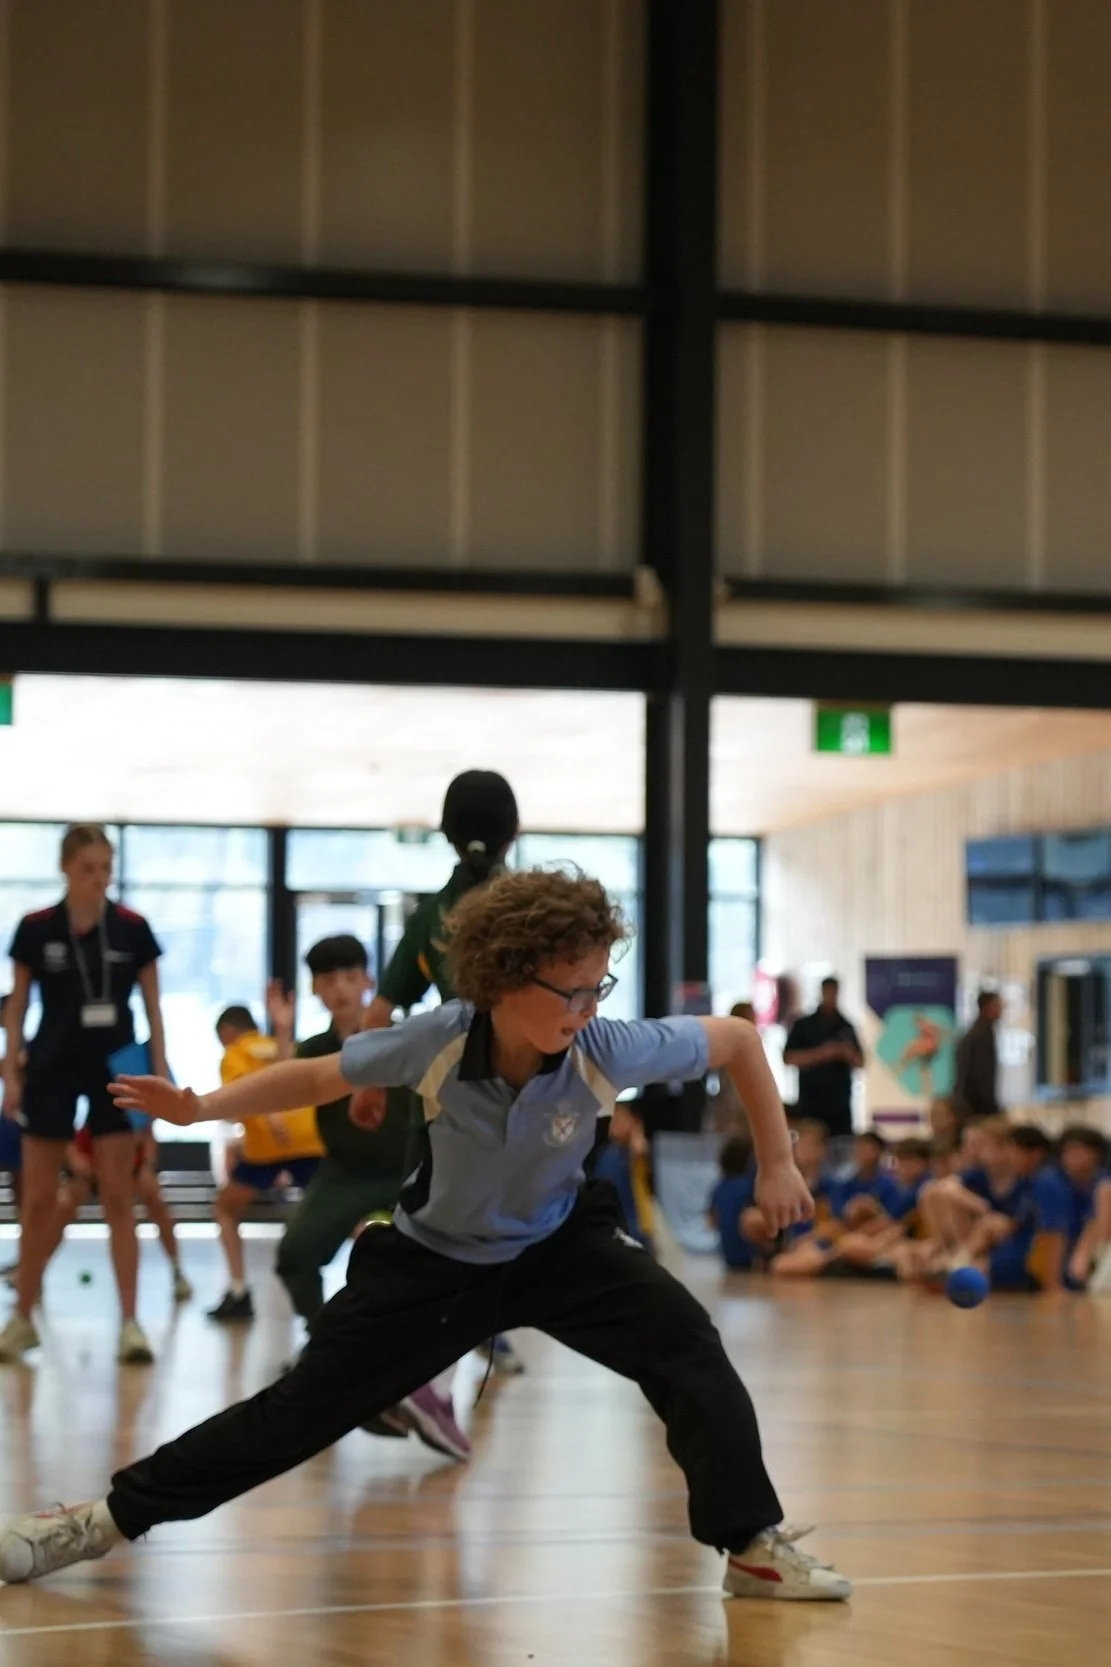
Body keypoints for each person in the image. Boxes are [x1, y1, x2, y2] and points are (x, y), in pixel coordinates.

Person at [0, 866, 851, 1602]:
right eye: (568, 991)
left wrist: (777, 1160)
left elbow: (738, 1040)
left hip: (559, 1244)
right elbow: (320, 1075)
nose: (585, 1008)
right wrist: (202, 1107)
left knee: (685, 1344)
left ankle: (750, 1546)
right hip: (432, 1267)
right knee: (292, 1416)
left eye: (598, 987)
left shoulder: (607, 1046)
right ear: (503, 978)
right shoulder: (438, 1038)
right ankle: (96, 1520)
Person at [351, 768, 527, 1378]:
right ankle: (486, 1328)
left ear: (447, 833)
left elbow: (379, 1012)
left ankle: (407, 1347)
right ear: (514, 831)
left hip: (443, 1093)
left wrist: (369, 1084)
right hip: (525, 1095)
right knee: (502, 1216)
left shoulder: (432, 915)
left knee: (422, 1219)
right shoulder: (535, 906)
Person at [0, 825, 167, 1364]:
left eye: (106, 869)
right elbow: (18, 1006)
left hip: (116, 1065)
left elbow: (154, 1007)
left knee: (119, 1194)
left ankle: (131, 1323)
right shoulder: (35, 928)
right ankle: (22, 1317)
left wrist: (159, 1071)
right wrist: (10, 1072)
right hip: (51, 1064)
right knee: (38, 1199)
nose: (100, 879)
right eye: (89, 869)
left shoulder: (133, 929)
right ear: (66, 869)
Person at [207, 1000, 324, 1322]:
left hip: (267, 1146)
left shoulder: (234, 1054)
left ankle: (238, 1291)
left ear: (227, 1032)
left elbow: (243, 1097)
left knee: (225, 1208)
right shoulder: (282, 1045)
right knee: (340, 1210)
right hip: (309, 1140)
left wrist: (270, 1121)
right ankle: (383, 1252)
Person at [44, 1126, 192, 1304]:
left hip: (127, 1160)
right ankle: (36, 1270)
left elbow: (147, 1131)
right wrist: (74, 1157)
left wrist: (146, 1163)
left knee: (154, 1201)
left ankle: (176, 1269)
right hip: (86, 1158)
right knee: (63, 1208)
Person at [783, 977, 863, 1141]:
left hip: (839, 1106)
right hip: (811, 1102)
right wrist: (822, 1054)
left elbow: (860, 1063)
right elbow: (789, 1058)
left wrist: (847, 1054)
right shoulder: (804, 1025)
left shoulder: (846, 1026)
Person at [708, 1134, 757, 1271]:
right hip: (750, 1258)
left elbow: (711, 1221)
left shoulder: (719, 1188)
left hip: (728, 1258)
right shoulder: (750, 1186)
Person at [0, 994, 23, 1285]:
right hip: (8, 1124)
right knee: (19, 1195)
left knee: (29, 1199)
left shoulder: (27, 1046)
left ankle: (29, 1266)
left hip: (27, 1125)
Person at [953, 990, 1003, 1121]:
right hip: (976, 1108)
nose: (1001, 1009)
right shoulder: (980, 1036)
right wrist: (990, 1108)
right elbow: (980, 1076)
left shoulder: (983, 1032)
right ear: (986, 1007)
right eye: (997, 1005)